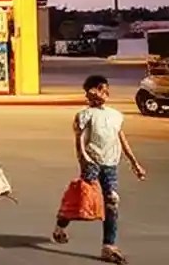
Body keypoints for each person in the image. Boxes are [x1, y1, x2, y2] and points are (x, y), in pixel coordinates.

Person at [51, 74, 146, 264]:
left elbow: (122, 139)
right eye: (100, 89)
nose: (105, 92)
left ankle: (108, 246)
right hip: (92, 163)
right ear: (90, 92)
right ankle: (60, 226)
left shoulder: (115, 115)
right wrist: (85, 162)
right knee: (83, 201)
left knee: (112, 201)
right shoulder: (84, 115)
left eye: (106, 89)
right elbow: (80, 141)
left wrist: (134, 163)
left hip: (111, 165)